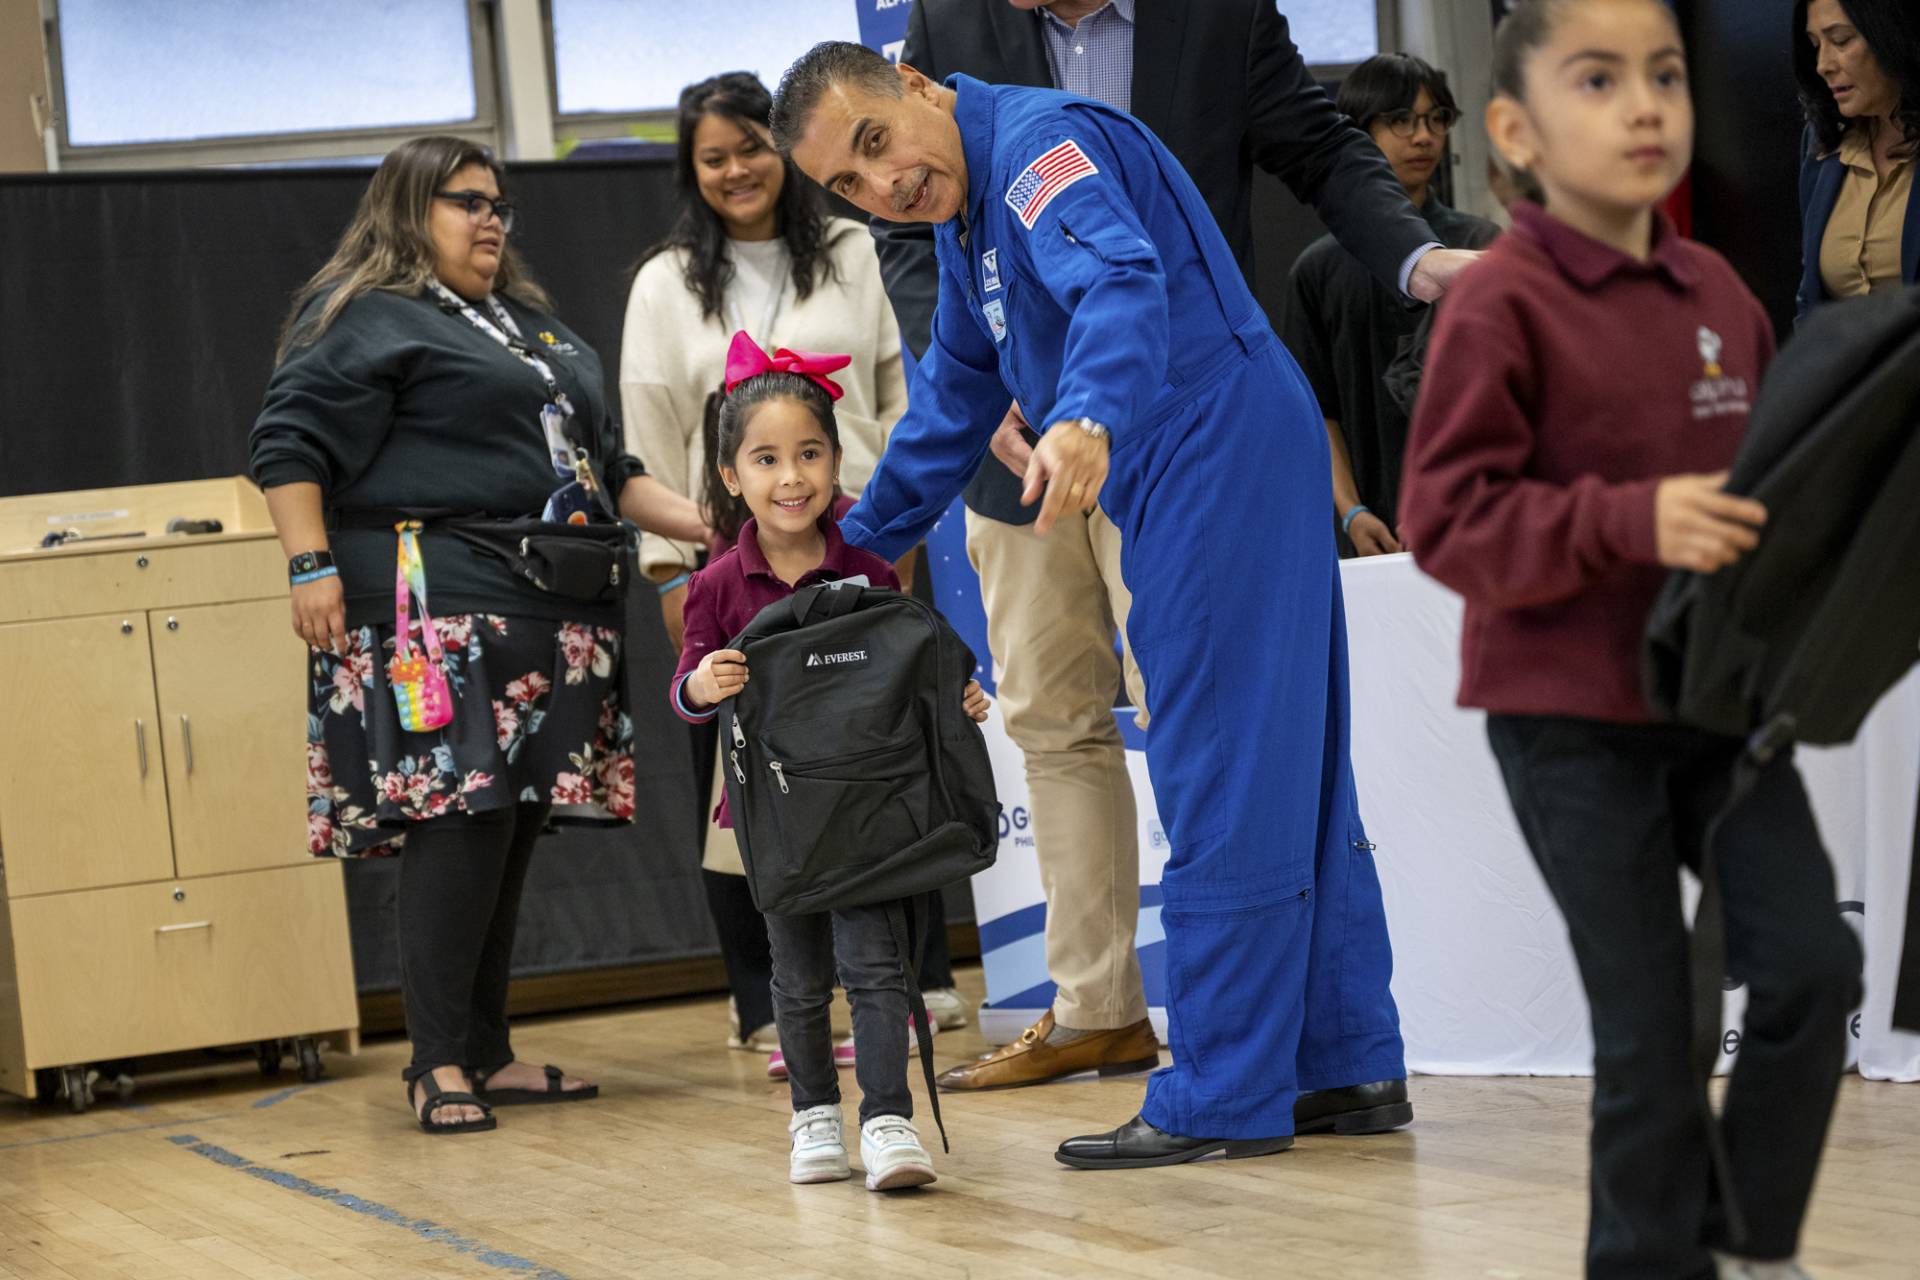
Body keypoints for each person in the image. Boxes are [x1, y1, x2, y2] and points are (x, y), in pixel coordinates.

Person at [774, 42, 1444, 1169]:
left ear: (921, 89)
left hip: (1206, 443)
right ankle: (1343, 1058)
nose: (882, 184)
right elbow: (956, 395)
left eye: (877, 142)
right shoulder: (967, 212)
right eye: (848, 183)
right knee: (1290, 772)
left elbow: (1120, 281)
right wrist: (850, 551)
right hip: (1218, 442)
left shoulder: (1039, 149)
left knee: (1217, 766)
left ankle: (1223, 1090)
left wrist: (1085, 410)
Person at [1400, 3, 1863, 1275]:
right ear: (1516, 132)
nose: (1648, 103)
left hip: (1721, 705)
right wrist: (1631, 519)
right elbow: (1447, 521)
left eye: (1665, 73)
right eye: (1599, 80)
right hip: (1569, 725)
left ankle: (1748, 1242)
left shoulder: (1721, 294)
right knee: (1654, 1034)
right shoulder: (1498, 305)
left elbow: (1764, 493)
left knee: (1812, 966)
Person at [250, 135, 711, 1135]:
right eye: (467, 202)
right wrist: (310, 563)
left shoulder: (529, 325)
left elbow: (608, 469)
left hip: (549, 607)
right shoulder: (368, 314)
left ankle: (488, 1049)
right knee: (457, 819)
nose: (491, 219)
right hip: (434, 605)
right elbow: (288, 442)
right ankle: (436, 1062)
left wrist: (710, 524)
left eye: (499, 204)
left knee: (508, 821)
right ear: (408, 211)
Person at [618, 72, 964, 1066]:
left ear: (786, 151)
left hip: (857, 549)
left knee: (884, 758)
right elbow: (649, 433)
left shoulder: (855, 249)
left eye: (752, 148)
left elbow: (905, 394)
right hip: (733, 568)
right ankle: (765, 998)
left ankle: (919, 979)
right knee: (744, 778)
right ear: (691, 169)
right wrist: (682, 570)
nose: (736, 170)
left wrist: (894, 533)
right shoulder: (664, 283)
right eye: (713, 157)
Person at [669, 331, 991, 1191]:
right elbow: (684, 690)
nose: (792, 477)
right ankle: (813, 1117)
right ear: (731, 475)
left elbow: (912, 666)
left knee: (880, 970)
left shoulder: (869, 569)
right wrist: (702, 683)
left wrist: (956, 697)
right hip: (775, 821)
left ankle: (887, 1121)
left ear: (837, 461)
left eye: (809, 453)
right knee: (800, 977)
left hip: (869, 811)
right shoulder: (716, 586)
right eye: (767, 459)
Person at [1281, 54, 1500, 558]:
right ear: (1358, 130)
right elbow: (1317, 410)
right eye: (1401, 120)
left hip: (1474, 524)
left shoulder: (1481, 246)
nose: (1423, 137)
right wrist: (1351, 512)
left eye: (1435, 119)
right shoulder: (1318, 270)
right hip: (1369, 531)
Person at [1794, 0, 1918, 320]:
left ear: (1894, 34)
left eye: (1841, 40)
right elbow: (1809, 302)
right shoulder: (1823, 143)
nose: (1823, 65)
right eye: (1815, 45)